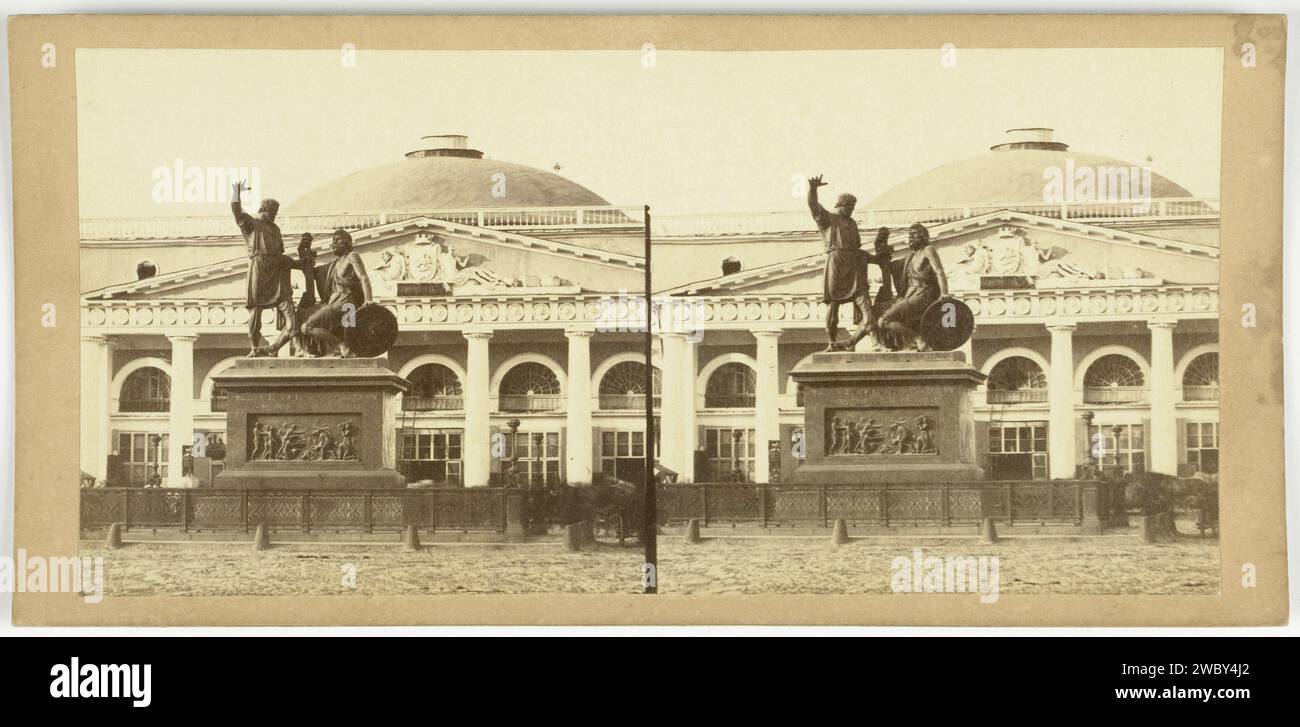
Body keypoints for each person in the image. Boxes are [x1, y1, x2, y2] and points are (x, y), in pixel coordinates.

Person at [807, 175, 890, 351]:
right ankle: (831, 343)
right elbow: (813, 206)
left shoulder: (852, 223)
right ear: (840, 205)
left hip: (855, 268)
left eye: (853, 207)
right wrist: (813, 188)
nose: (851, 210)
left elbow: (857, 250)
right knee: (833, 307)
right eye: (849, 206)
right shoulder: (828, 219)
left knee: (866, 305)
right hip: (836, 265)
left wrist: (875, 259)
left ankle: (876, 343)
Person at [232, 180, 295, 357]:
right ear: (264, 210)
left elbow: (281, 256)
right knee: (256, 309)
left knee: (290, 313)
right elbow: (236, 212)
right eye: (273, 212)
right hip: (259, 269)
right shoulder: (252, 224)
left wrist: (298, 263)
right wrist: (236, 193)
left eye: (276, 212)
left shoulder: (275, 229)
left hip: (277, 273)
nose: (275, 215)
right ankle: (254, 348)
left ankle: (273, 347)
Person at [878, 223, 954, 351]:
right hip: (910, 295)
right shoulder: (911, 257)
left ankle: (918, 338)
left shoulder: (928, 250)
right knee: (879, 313)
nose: (910, 237)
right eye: (909, 235)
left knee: (884, 321)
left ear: (923, 236)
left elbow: (939, 272)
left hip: (923, 295)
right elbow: (894, 267)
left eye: (913, 234)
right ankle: (914, 340)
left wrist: (944, 293)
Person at [300, 229, 375, 357]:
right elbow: (310, 271)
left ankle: (341, 346)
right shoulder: (335, 264)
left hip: (346, 303)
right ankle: (342, 347)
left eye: (337, 240)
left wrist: (368, 299)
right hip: (336, 302)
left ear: (346, 242)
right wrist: (303, 253)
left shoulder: (352, 256)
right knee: (344, 333)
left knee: (307, 327)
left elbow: (363, 277)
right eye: (332, 241)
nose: (333, 244)